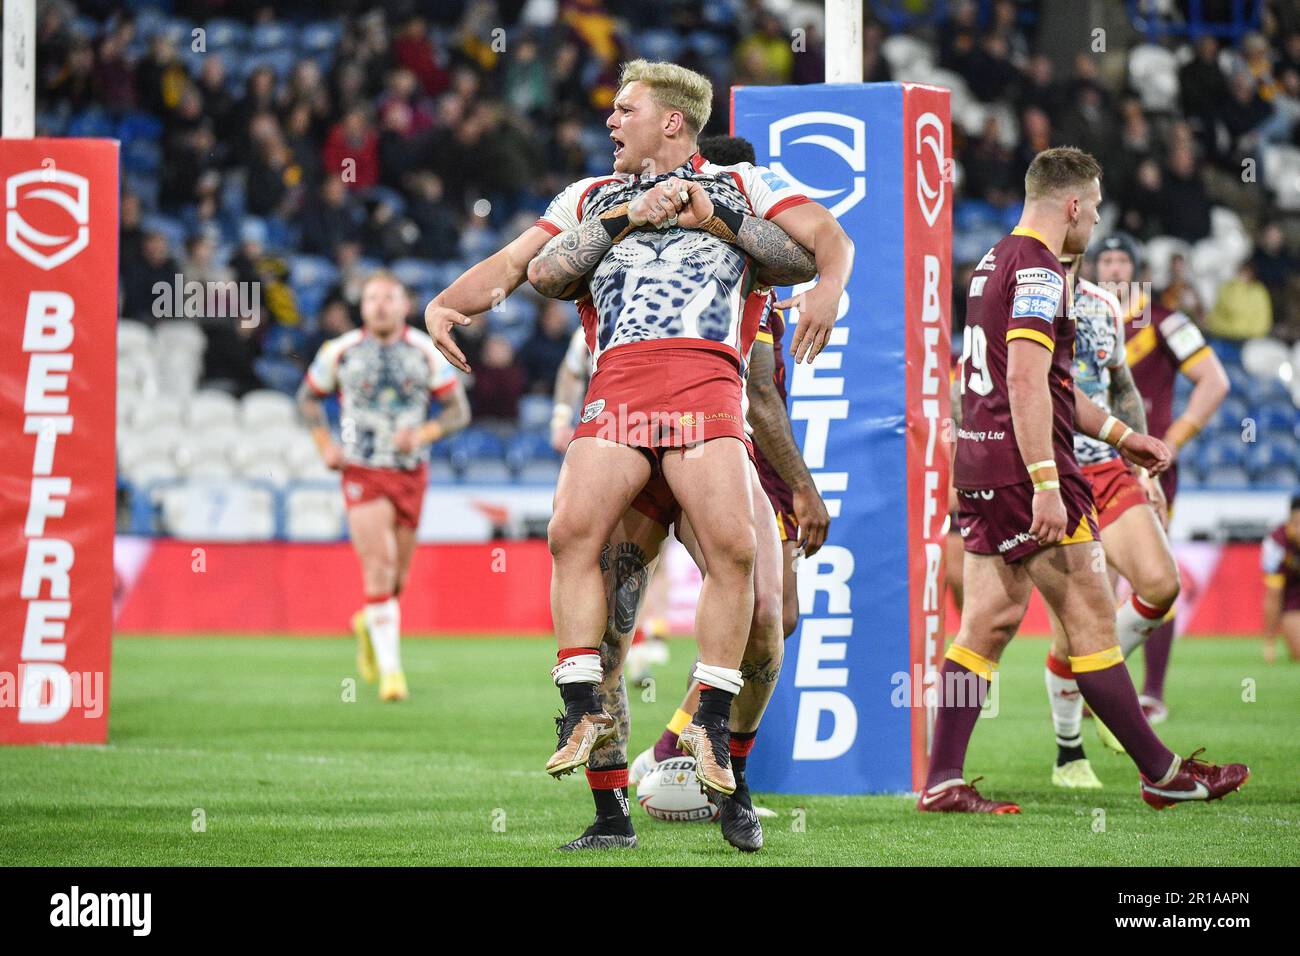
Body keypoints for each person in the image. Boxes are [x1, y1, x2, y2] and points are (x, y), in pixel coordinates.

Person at [421, 114, 852, 849]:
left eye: (625, 106)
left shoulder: (747, 196)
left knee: (768, 620)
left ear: (672, 122)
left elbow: (820, 257)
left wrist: (827, 289)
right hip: (620, 409)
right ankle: (610, 813)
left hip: (710, 417)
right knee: (610, 622)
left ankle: (731, 773)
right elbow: (520, 264)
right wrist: (450, 302)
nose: (610, 119)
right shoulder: (591, 198)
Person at [923, 147, 1247, 814]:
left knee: (986, 623)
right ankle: (1162, 773)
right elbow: (1025, 378)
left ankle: (942, 780)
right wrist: (1046, 480)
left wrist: (1127, 437)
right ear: (1072, 205)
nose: (1095, 221)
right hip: (1026, 470)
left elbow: (1047, 385)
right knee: (1092, 621)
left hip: (983, 465)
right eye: (1094, 208)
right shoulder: (1041, 272)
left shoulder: (991, 262)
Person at [297, 273, 471, 701]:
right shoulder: (340, 352)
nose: (379, 305)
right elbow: (307, 397)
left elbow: (458, 411)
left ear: (403, 306)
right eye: (372, 297)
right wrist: (325, 444)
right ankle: (393, 675)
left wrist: (425, 433)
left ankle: (367, 624)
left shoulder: (424, 352)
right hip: (362, 469)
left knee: (396, 577)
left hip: (411, 472)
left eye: (388, 298)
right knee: (379, 563)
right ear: (362, 306)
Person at [1094, 232, 1231, 723]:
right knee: (1097, 581)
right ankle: (1101, 685)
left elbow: (1215, 381)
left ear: (1135, 270)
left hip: (1143, 471)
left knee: (1153, 576)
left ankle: (1151, 692)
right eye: (1104, 260)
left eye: (1120, 261)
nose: (1112, 269)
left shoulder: (1167, 323)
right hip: (1089, 464)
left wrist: (1171, 441)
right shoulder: (1081, 321)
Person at [1262, 497, 1300, 663]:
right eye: (1297, 524)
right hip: (1293, 597)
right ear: (1290, 521)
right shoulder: (1276, 544)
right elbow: (1274, 595)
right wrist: (1270, 643)